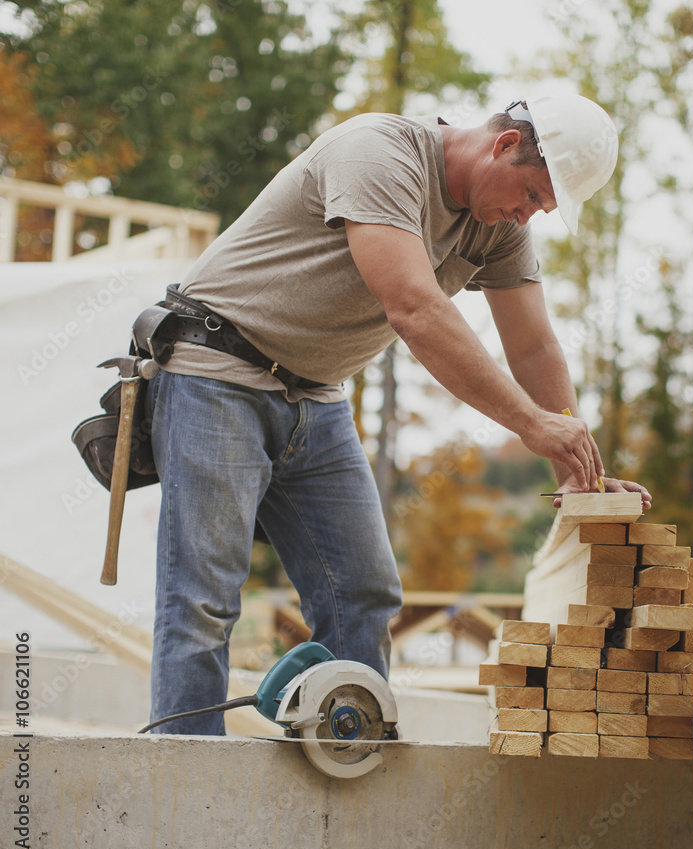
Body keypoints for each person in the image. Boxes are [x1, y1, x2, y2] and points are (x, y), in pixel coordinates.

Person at [144, 94, 652, 734]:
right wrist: (531, 423)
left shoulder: (500, 225)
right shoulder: (380, 153)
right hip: (216, 369)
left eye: (541, 209)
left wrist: (577, 464)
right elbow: (412, 306)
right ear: (502, 145)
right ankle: (186, 782)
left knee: (362, 594)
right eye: (530, 193)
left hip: (314, 393)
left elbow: (534, 344)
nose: (527, 215)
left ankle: (348, 760)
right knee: (204, 598)